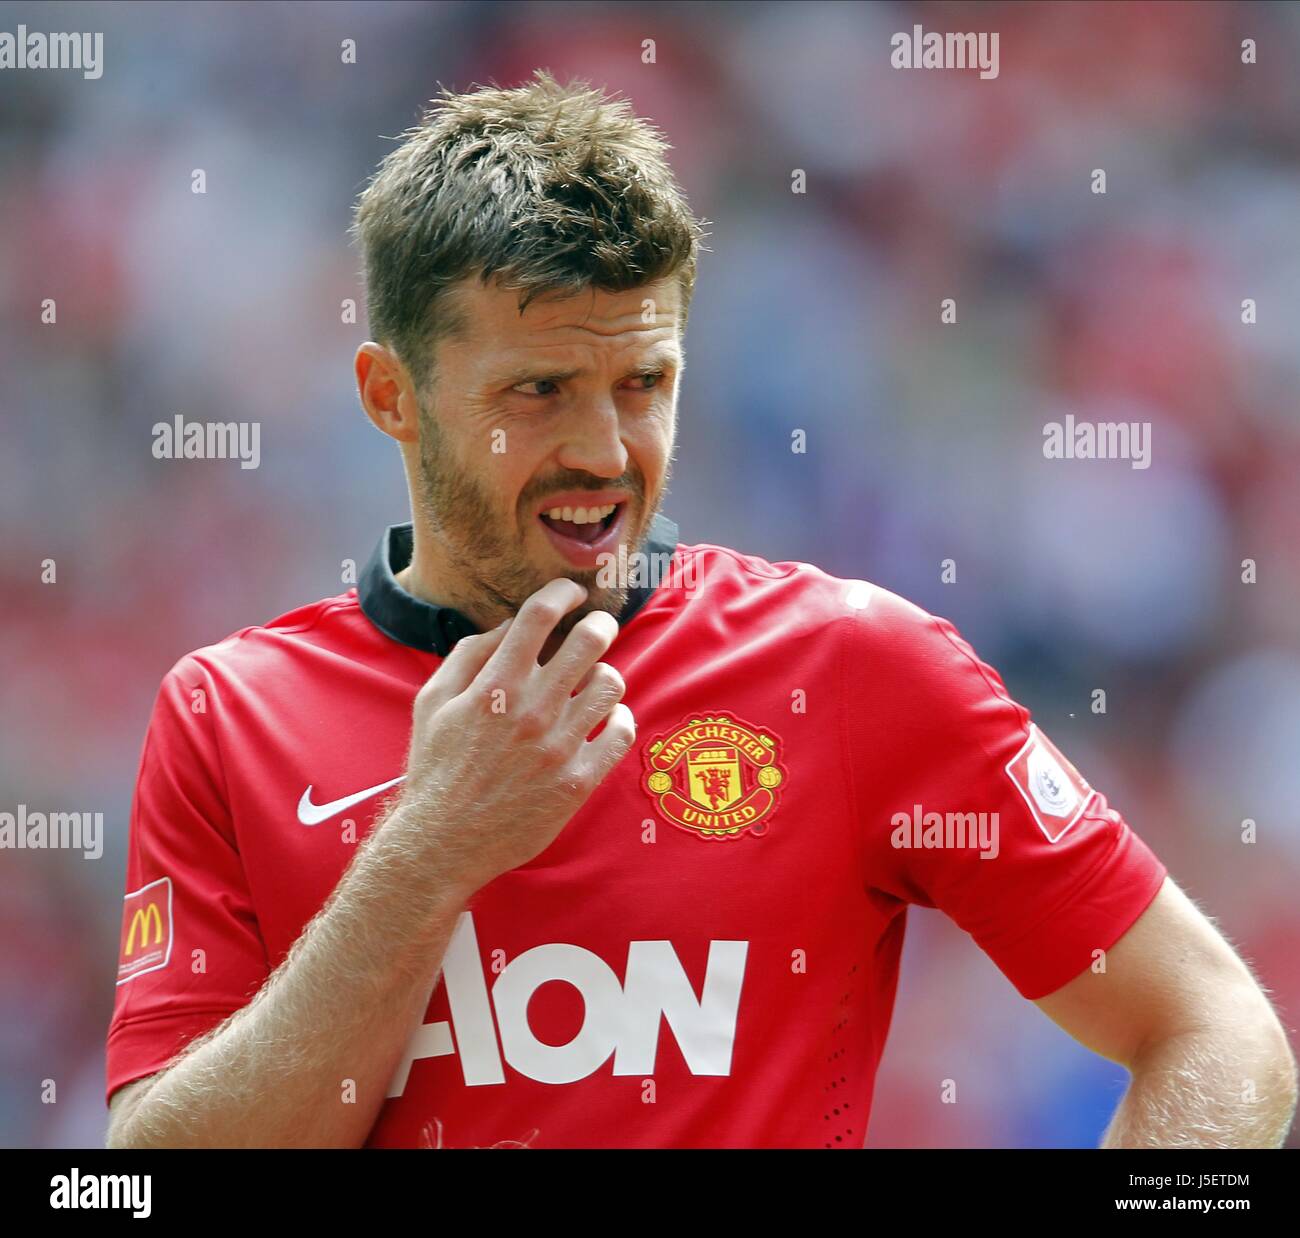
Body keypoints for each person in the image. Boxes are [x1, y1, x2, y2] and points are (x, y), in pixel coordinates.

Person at [105, 70, 1296, 1149]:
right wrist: (428, 852)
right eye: (540, 390)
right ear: (391, 396)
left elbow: (1214, 1029)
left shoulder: (847, 666)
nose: (605, 449)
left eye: (643, 384)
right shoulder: (226, 717)